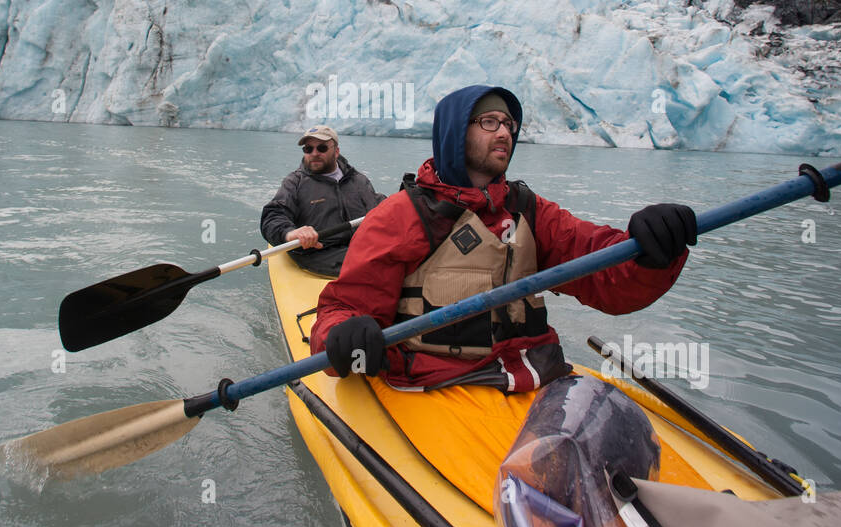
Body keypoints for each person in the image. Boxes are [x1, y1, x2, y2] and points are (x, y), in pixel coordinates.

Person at [310, 85, 697, 393]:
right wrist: (343, 334)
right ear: (455, 132)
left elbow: (606, 276)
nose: (505, 133)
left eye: (509, 124)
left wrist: (649, 251)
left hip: (534, 379)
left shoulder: (529, 211)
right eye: (489, 122)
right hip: (437, 385)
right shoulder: (398, 217)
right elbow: (343, 308)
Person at [260, 125, 386, 276]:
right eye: (308, 149)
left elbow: (380, 209)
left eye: (322, 148)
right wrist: (289, 233)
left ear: (336, 151)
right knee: (378, 265)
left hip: (362, 248)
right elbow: (273, 215)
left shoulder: (358, 180)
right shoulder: (294, 182)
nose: (314, 153)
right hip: (319, 253)